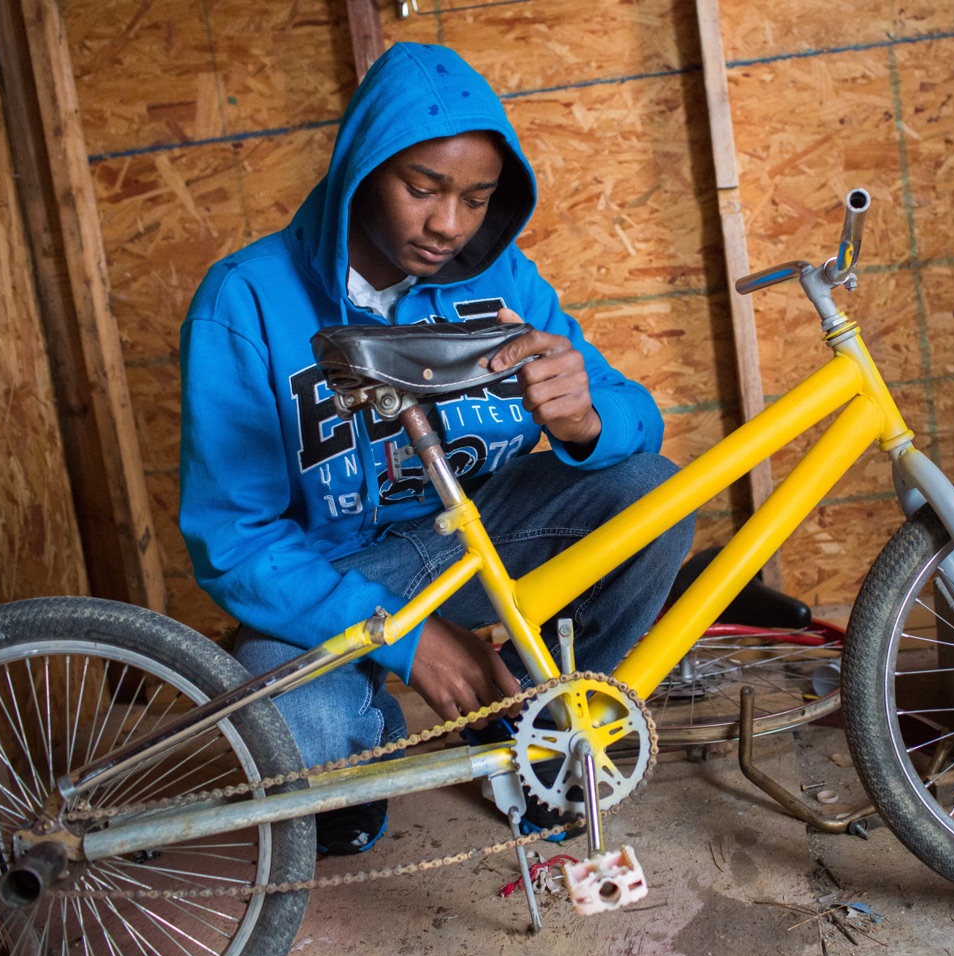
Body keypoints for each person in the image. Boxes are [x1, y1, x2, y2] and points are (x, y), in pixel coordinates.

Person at [178, 42, 693, 856]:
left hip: (483, 537)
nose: (449, 225)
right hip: (340, 573)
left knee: (653, 497)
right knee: (295, 731)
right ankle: (367, 724)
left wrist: (586, 420)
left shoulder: (504, 280)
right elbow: (234, 541)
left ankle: (531, 714)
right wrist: (409, 639)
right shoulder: (245, 299)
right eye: (422, 189)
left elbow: (638, 425)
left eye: (477, 198)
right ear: (360, 169)